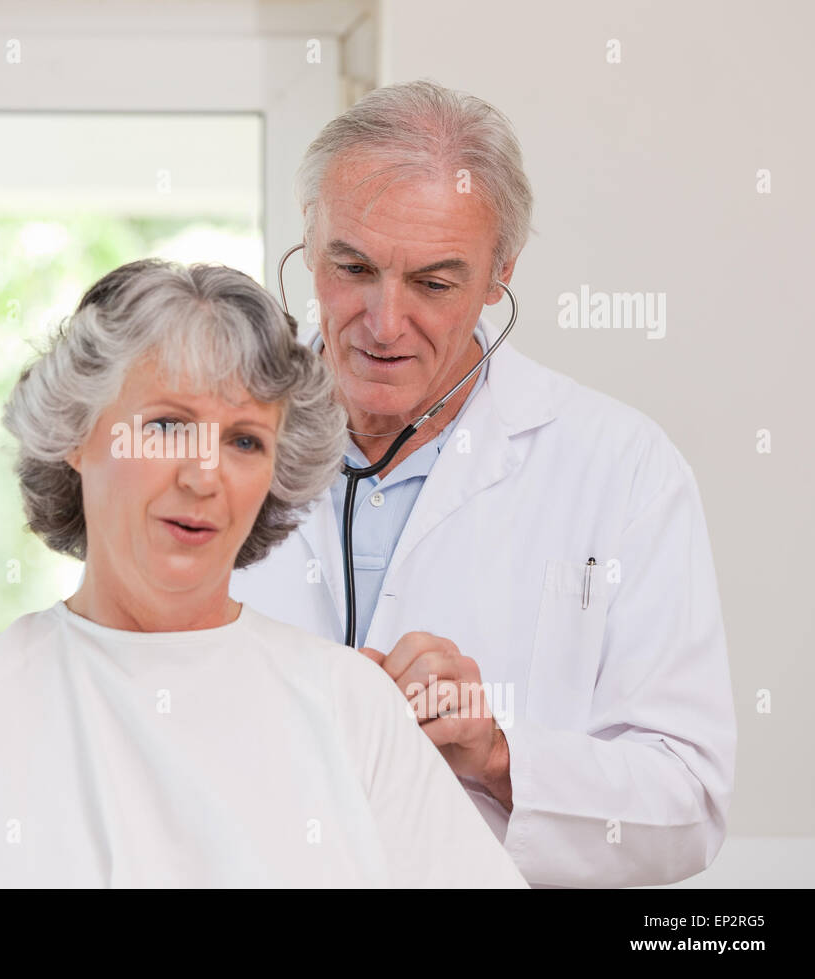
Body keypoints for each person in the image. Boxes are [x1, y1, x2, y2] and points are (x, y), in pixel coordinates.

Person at [0, 259, 527, 888]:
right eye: (167, 424)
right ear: (77, 434)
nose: (206, 476)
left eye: (243, 440)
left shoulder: (348, 706)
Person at [229, 80, 736, 887]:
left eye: (433, 283)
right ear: (308, 241)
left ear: (501, 273)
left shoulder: (621, 468)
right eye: (351, 265)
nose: (384, 322)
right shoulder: (214, 436)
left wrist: (495, 749)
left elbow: (687, 803)